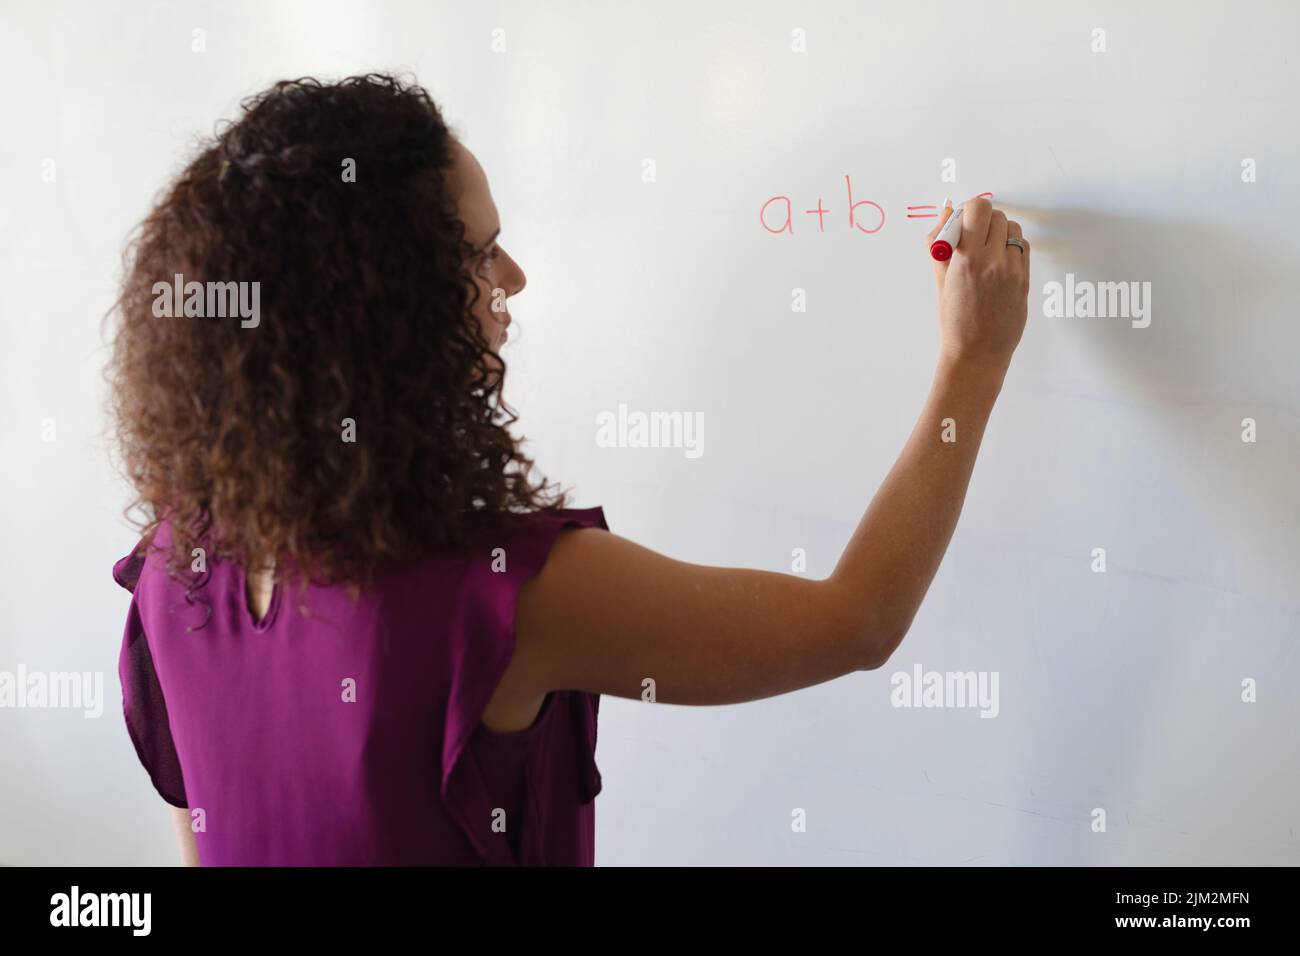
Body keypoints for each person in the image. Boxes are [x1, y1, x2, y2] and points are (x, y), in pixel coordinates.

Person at [107, 73, 1029, 866]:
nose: (511, 277)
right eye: (475, 251)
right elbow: (854, 622)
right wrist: (971, 367)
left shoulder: (171, 571)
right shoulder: (504, 595)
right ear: (383, 307)